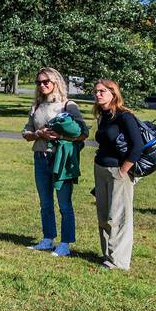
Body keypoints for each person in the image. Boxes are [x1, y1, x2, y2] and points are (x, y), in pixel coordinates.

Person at [21, 68, 88, 257]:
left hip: (61, 159)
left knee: (64, 203)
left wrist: (61, 135)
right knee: (45, 202)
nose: (42, 85)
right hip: (40, 158)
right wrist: (37, 134)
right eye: (39, 82)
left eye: (46, 81)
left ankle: (65, 243)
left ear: (56, 82)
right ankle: (47, 239)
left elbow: (83, 133)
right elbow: (26, 133)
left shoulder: (68, 106)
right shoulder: (36, 107)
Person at [92, 78, 144, 270]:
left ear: (113, 93)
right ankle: (108, 254)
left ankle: (119, 262)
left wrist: (124, 170)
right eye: (96, 91)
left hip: (119, 171)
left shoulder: (124, 116)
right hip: (101, 169)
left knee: (119, 217)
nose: (98, 94)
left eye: (102, 91)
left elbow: (138, 146)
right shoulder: (103, 116)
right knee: (104, 215)